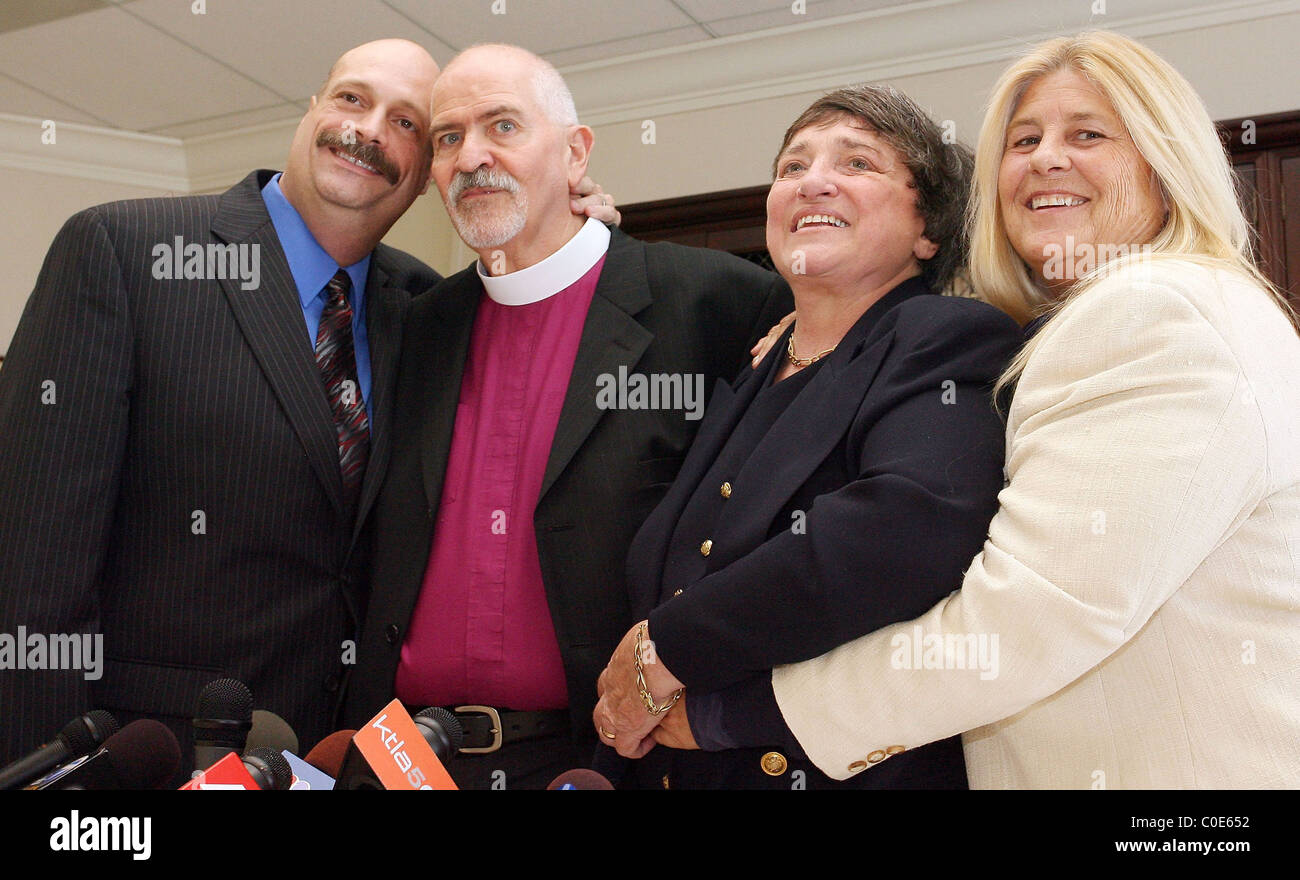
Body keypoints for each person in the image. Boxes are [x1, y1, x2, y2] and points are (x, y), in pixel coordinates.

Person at [0, 38, 614, 773]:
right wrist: (52, 773)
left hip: (339, 755)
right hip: (149, 748)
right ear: (313, 110)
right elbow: (32, 559)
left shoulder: (427, 306)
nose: (369, 129)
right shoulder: (126, 252)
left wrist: (571, 235)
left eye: (410, 124)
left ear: (430, 176)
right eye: (353, 98)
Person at [730, 31, 1300, 788]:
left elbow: (1029, 618)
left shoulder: (1154, 310)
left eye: (1087, 134)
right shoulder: (1106, 319)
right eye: (1023, 140)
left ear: (1167, 166)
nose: (1044, 159)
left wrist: (740, 712)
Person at [342, 43, 793, 789]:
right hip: (405, 752)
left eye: (504, 127)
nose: (471, 156)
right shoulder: (415, 327)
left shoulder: (718, 304)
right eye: (449, 138)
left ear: (576, 155)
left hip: (607, 760)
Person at [591, 85, 1023, 789]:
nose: (812, 181)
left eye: (857, 163)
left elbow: (901, 531)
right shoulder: (759, 364)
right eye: (792, 167)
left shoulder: (943, 337)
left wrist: (669, 649)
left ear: (929, 231)